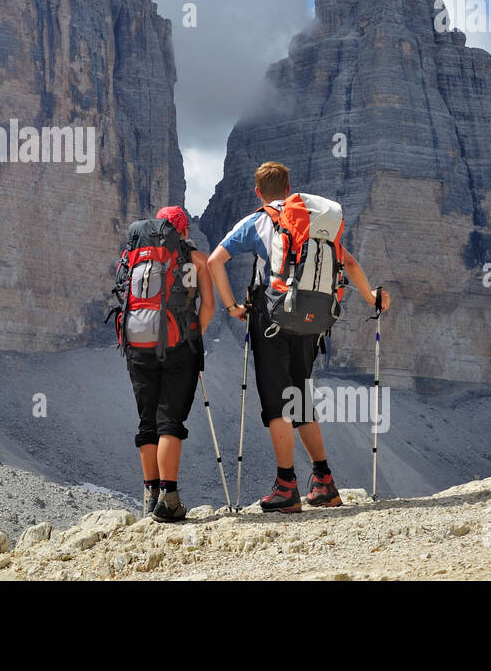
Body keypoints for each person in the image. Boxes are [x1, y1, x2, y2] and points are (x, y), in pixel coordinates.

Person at [207, 162, 390, 513]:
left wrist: (232, 307)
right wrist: (372, 298)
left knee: (277, 404)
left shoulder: (257, 221)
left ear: (258, 191)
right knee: (300, 397)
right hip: (310, 319)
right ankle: (324, 483)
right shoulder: (311, 221)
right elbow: (348, 263)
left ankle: (286, 486)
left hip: (271, 318)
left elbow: (216, 260)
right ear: (290, 187)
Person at [126, 205, 215, 522]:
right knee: (170, 421)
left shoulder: (135, 257)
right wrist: (190, 336)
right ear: (184, 231)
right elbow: (208, 308)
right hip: (179, 349)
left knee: (147, 420)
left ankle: (150, 495)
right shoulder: (197, 260)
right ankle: (170, 498)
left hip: (138, 345)